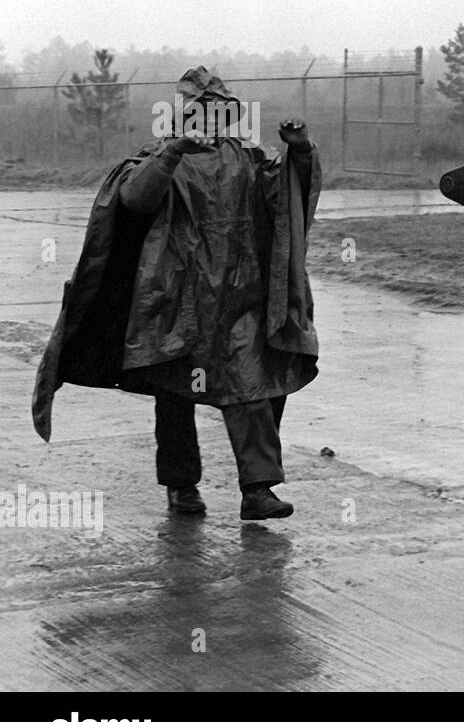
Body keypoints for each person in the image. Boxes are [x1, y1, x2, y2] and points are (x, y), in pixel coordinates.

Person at [33, 67, 321, 520]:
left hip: (239, 296)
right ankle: (182, 485)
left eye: (216, 111)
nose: (207, 119)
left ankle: (257, 489)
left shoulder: (249, 159)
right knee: (177, 395)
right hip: (175, 298)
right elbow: (135, 199)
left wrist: (300, 153)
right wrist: (172, 154)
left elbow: (287, 199)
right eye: (198, 111)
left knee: (252, 387)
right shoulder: (156, 156)